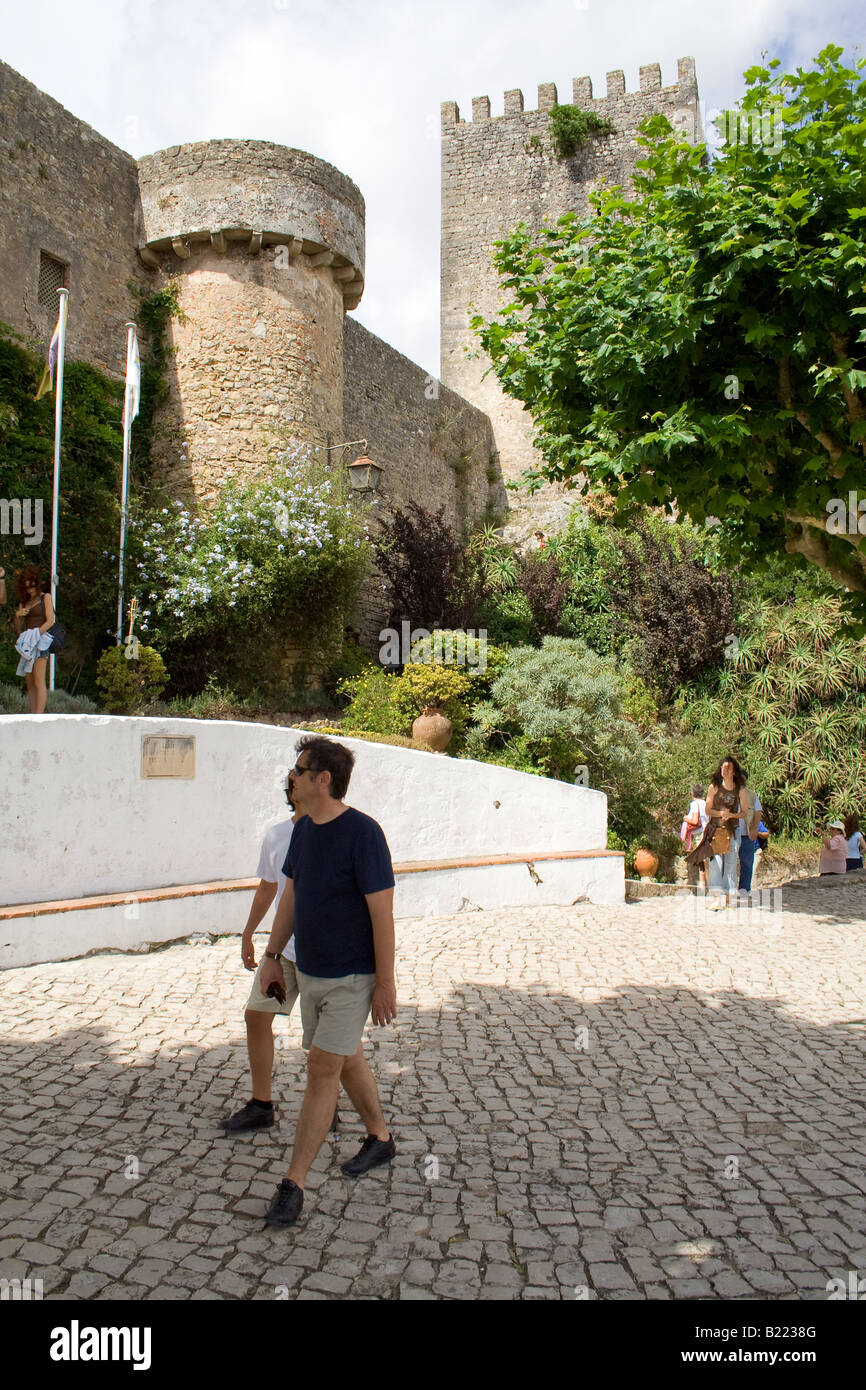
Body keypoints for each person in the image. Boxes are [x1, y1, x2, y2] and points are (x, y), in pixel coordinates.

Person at [259, 736, 397, 1227]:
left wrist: (385, 983)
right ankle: (380, 1139)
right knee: (344, 1058)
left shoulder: (363, 834)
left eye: (299, 769)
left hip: (352, 976)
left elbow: (382, 914)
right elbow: (290, 899)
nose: (290, 777)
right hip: (311, 971)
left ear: (323, 779)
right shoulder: (303, 832)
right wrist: (273, 956)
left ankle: (293, 1183)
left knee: (321, 1068)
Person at [218, 781, 340, 1137]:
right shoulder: (276, 837)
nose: (296, 785)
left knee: (325, 1036)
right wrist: (247, 932)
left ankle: (326, 1104)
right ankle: (261, 1104)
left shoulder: (337, 833)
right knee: (256, 1015)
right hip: (283, 950)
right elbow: (268, 887)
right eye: (293, 780)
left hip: (325, 953)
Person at [704, 756, 749, 908]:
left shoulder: (740, 790)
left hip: (732, 830)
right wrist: (720, 814)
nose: (725, 771)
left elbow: (744, 811)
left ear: (734, 771)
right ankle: (717, 897)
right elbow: (707, 809)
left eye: (728, 768)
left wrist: (731, 815)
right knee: (716, 862)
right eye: (723, 768)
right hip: (716, 829)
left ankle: (729, 897)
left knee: (730, 863)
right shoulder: (714, 787)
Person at [12, 566, 55, 713]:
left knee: (38, 680)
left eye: (31, 586)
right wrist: (19, 615)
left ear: (36, 584)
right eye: (26, 587)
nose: (29, 590)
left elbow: (51, 620)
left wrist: (36, 634)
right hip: (28, 644)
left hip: (40, 642)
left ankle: (39, 715)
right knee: (29, 681)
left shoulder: (46, 597)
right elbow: (18, 628)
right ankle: (32, 714)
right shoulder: (24, 602)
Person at [738, 785, 764, 893]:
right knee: (729, 863)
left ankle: (744, 889)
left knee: (747, 863)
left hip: (746, 834)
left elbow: (758, 812)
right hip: (731, 834)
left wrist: (754, 828)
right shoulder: (728, 793)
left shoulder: (752, 795)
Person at [683, 783, 709, 889]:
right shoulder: (706, 803)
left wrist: (685, 819)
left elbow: (694, 820)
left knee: (703, 859)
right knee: (704, 858)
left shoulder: (694, 804)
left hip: (700, 834)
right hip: (707, 832)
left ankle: (705, 884)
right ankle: (704, 882)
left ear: (692, 793)